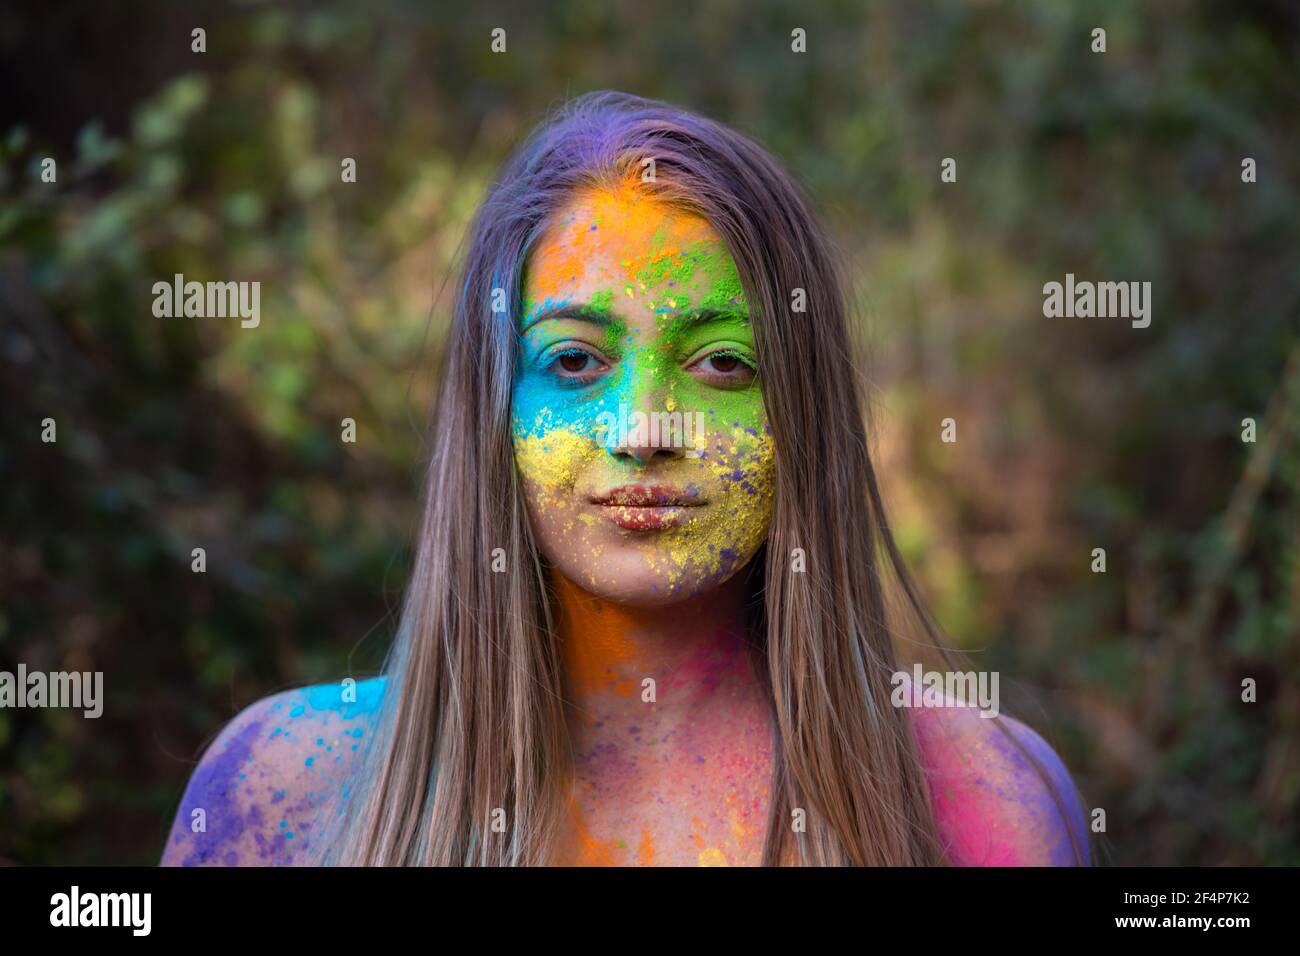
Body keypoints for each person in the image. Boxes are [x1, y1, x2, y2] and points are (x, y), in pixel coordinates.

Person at [161, 91, 1089, 867]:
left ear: (802, 413)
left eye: (723, 364)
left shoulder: (985, 798)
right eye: (573, 363)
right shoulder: (277, 791)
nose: (644, 429)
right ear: (495, 410)